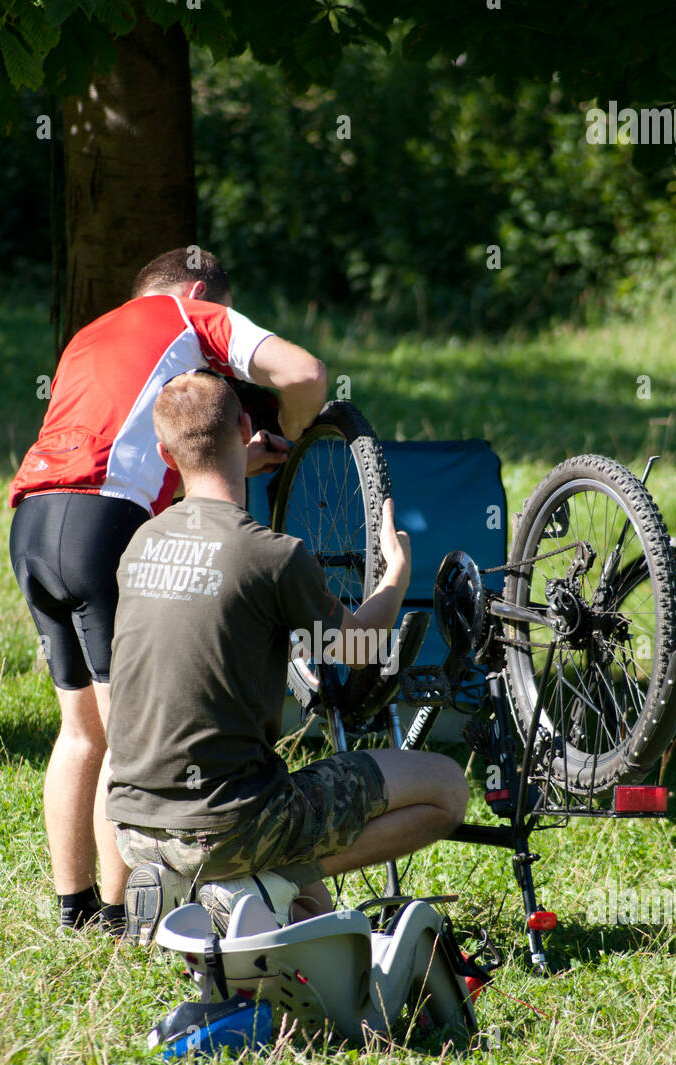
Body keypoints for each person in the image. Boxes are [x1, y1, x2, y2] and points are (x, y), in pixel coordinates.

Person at [8, 248, 327, 936]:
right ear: (197, 290)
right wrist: (297, 439)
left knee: (81, 732)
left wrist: (237, 458)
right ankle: (128, 918)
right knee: (135, 739)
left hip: (35, 523)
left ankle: (76, 907)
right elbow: (304, 373)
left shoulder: (93, 333)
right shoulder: (192, 313)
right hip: (102, 525)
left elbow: (137, 454)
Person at [106, 370, 469, 942]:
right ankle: (258, 883)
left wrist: (223, 460)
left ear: (164, 455)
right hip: (229, 826)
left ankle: (210, 884)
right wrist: (396, 578)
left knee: (319, 915)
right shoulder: (272, 556)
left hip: (132, 827)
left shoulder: (139, 543)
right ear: (247, 427)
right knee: (447, 787)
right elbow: (356, 647)